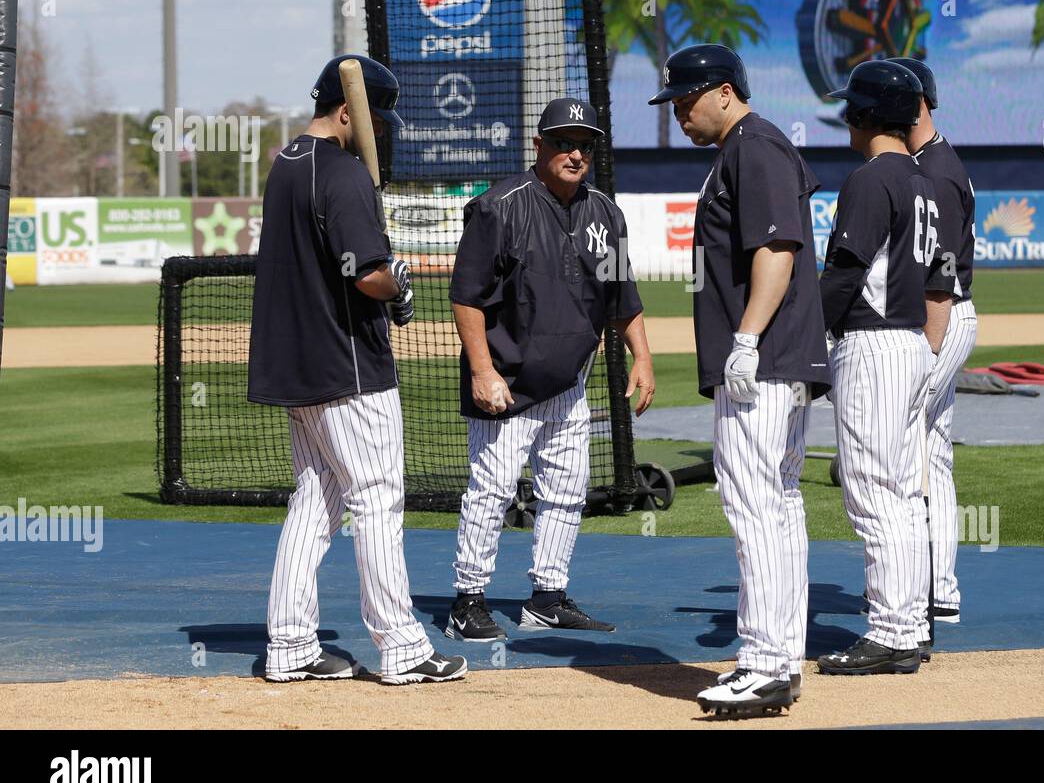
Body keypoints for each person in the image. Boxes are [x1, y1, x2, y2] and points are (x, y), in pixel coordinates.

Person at [249, 54, 467, 685]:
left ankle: (290, 646)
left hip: (298, 363)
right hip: (348, 365)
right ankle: (402, 648)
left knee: (315, 501)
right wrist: (395, 282)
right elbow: (367, 271)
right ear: (348, 112)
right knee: (376, 500)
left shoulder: (285, 164)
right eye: (375, 118)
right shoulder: (343, 174)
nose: (382, 129)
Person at [649, 43, 830, 718]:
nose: (678, 114)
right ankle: (779, 658)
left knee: (756, 506)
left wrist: (747, 338)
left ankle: (761, 661)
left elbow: (776, 249)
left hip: (766, 362)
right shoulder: (750, 147)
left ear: (724, 90)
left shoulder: (754, 147)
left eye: (686, 100)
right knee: (778, 507)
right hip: (777, 364)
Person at [443, 97, 655, 641]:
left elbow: (621, 296)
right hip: (508, 382)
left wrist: (643, 357)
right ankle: (468, 599)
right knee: (491, 491)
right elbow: (466, 297)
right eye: (563, 142)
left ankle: (548, 596)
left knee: (566, 489)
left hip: (569, 384)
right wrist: (482, 372)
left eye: (584, 144)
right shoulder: (499, 206)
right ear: (539, 146)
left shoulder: (605, 212)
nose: (575, 153)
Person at [816, 59, 949, 677]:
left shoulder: (871, 180)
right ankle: (909, 626)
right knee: (899, 492)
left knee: (873, 493)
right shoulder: (925, 181)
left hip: (871, 346)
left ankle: (893, 631)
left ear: (863, 114)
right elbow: (939, 280)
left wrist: (806, 336)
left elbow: (845, 269)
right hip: (910, 343)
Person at [890, 57, 977, 633]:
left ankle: (928, 586)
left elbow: (941, 271)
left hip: (941, 316)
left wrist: (927, 345)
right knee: (934, 454)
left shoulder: (935, 170)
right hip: (950, 314)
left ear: (915, 105)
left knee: (910, 448)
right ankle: (940, 587)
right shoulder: (933, 160)